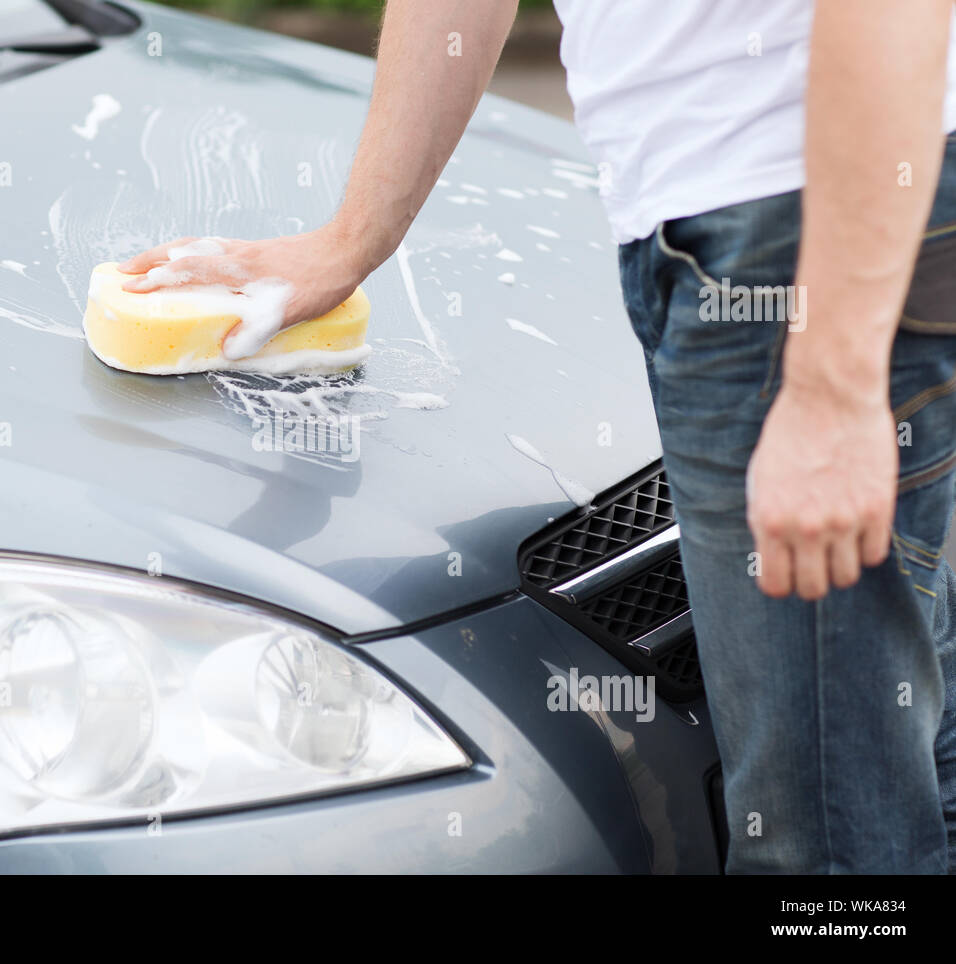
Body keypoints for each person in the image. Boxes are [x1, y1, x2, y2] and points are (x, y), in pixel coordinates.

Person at [119, 0, 956, 873]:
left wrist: (830, 383)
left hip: (795, 232)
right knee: (908, 742)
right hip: (770, 220)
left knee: (824, 848)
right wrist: (349, 242)